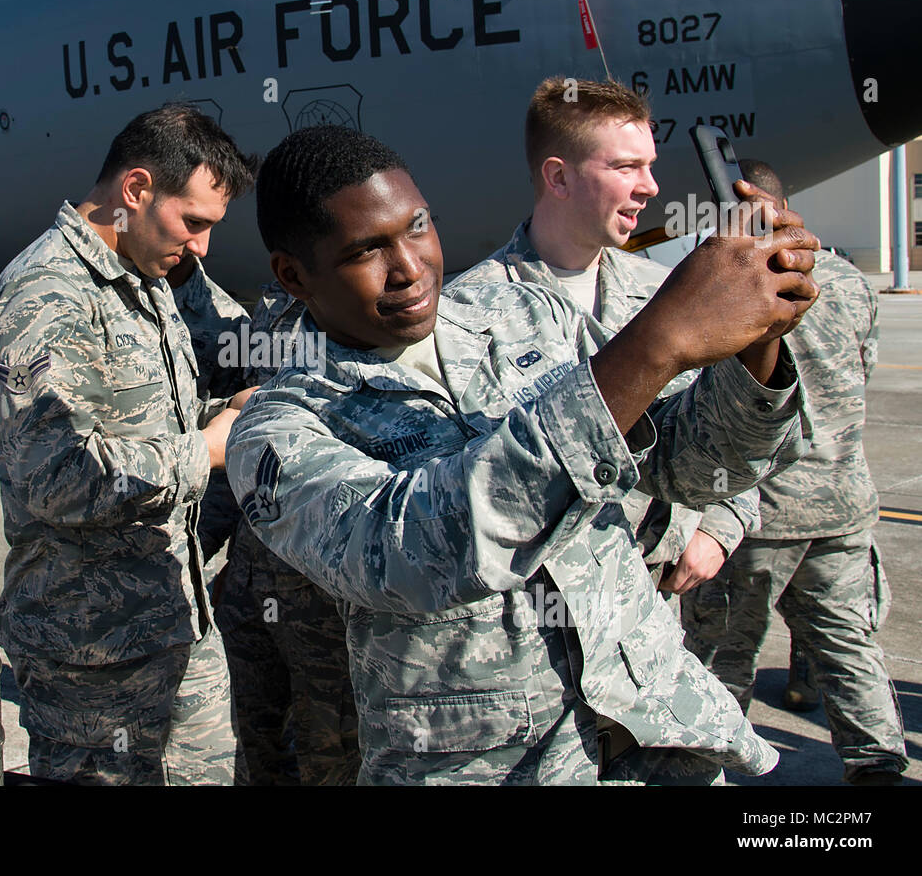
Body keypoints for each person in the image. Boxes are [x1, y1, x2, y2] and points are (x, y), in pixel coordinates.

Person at [226, 124, 820, 785]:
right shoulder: (281, 428)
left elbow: (690, 465)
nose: (411, 266)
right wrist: (657, 341)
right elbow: (413, 553)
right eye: (368, 250)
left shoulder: (524, 317)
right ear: (292, 275)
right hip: (494, 767)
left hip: (654, 732)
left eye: (418, 227)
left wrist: (758, 338)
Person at [0, 104, 257, 785]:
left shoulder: (147, 276)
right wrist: (208, 449)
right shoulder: (46, 294)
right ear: (136, 190)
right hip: (89, 657)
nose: (202, 248)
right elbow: (55, 476)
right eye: (193, 222)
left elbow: (169, 399)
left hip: (177, 622)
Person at [448, 78, 759, 602]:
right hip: (543, 615)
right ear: (559, 178)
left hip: (654, 606)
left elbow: (727, 425)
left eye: (650, 165)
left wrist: (720, 525)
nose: (651, 186)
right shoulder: (465, 314)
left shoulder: (668, 294)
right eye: (625, 167)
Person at [681, 159, 908, 786]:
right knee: (848, 646)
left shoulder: (726, 284)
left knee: (719, 660)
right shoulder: (847, 278)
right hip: (841, 503)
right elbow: (861, 370)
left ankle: (706, 768)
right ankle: (878, 767)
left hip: (757, 513)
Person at [215, 282, 361, 786]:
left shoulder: (366, 294)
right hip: (252, 576)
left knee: (333, 749)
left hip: (322, 587)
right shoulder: (274, 303)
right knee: (256, 740)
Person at [165, 253, 249, 570]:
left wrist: (191, 554)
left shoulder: (230, 325)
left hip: (171, 544)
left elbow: (226, 464)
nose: (200, 246)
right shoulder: (89, 300)